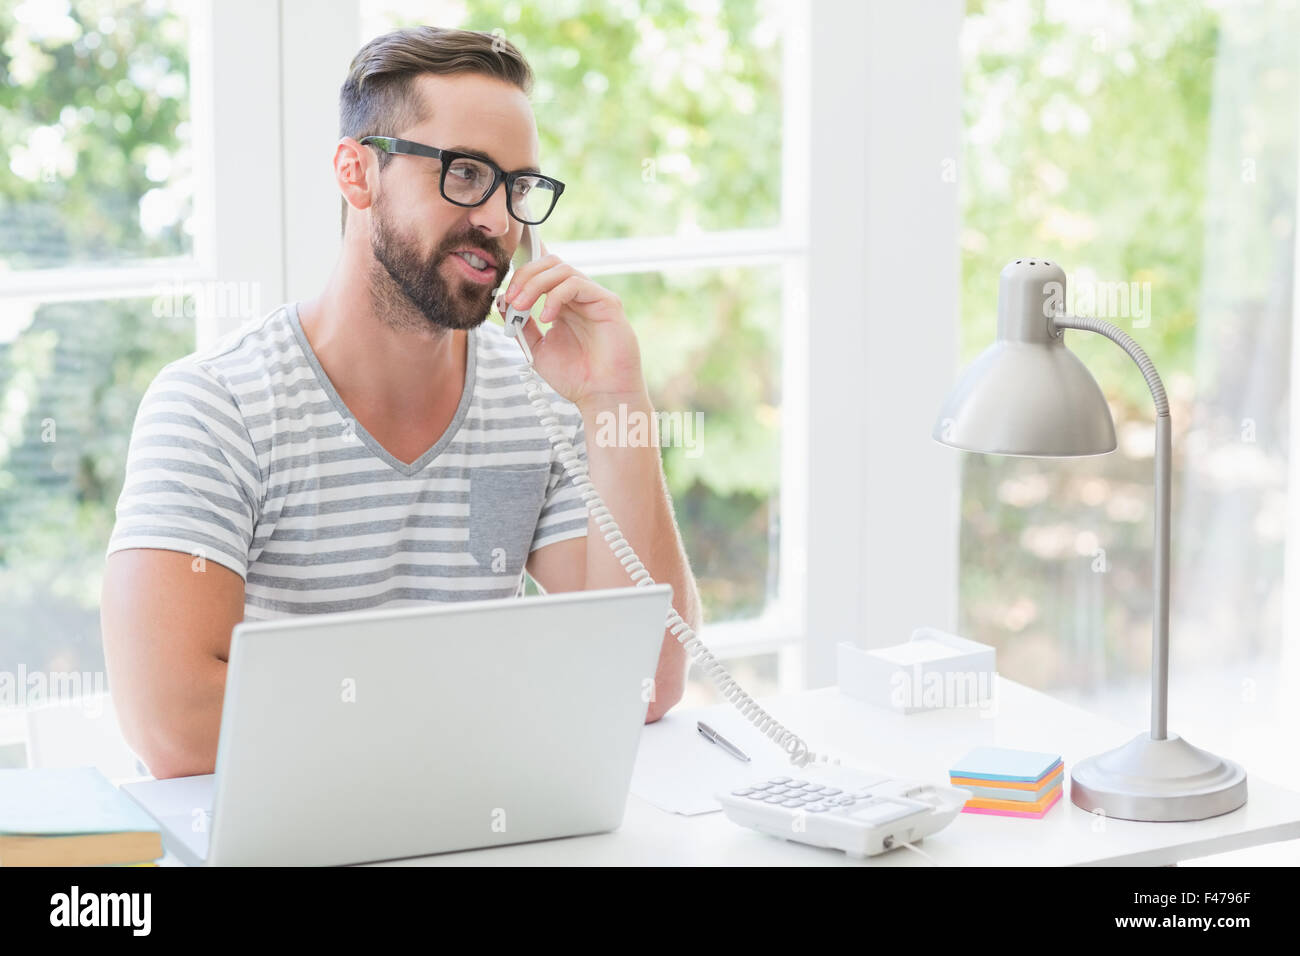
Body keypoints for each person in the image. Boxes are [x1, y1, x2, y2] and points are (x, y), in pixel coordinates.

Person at [101, 26, 700, 779]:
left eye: (517, 187)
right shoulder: (214, 407)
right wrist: (501, 696)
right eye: (466, 173)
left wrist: (617, 403)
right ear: (357, 173)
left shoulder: (532, 397)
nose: (501, 222)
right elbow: (174, 727)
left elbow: (647, 679)